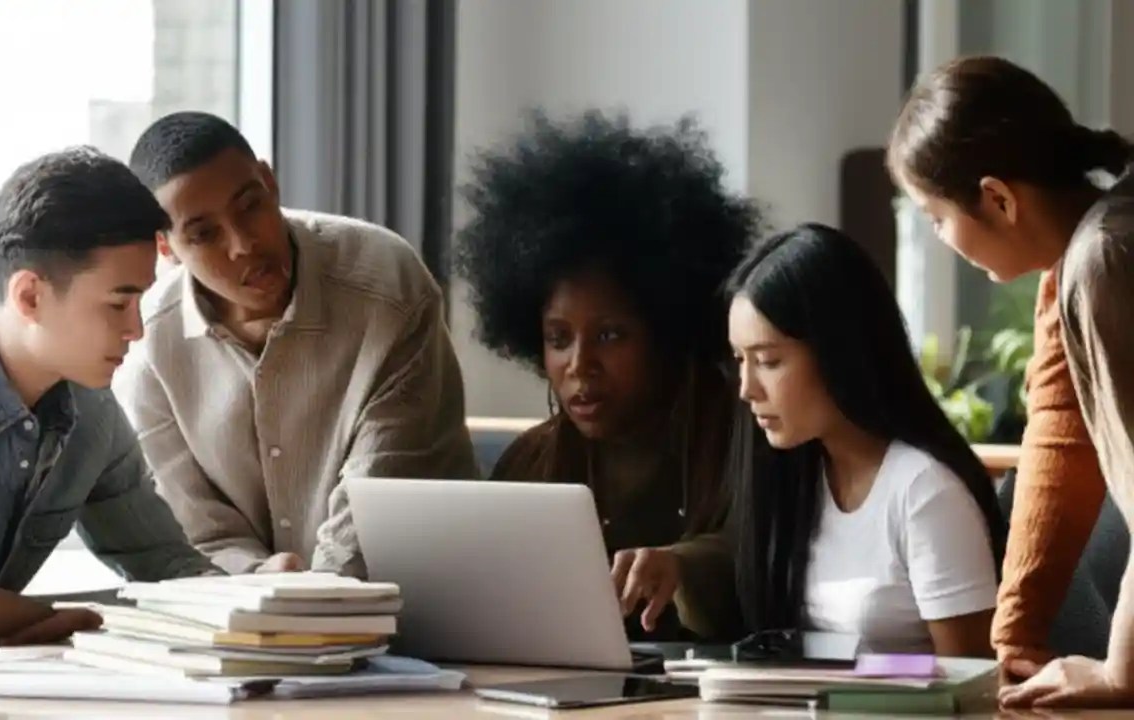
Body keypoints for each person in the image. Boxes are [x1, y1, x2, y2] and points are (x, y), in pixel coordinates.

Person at [0, 148, 220, 648]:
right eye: (118, 302)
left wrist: (261, 599)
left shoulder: (93, 413)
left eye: (140, 303)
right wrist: (72, 617)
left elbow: (166, 566)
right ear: (29, 296)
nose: (136, 329)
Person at [118, 112, 477, 578]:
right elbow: (196, 533)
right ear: (165, 248)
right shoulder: (146, 345)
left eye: (250, 205)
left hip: (429, 599)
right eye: (204, 234)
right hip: (249, 619)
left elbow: (373, 512)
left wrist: (300, 610)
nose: (243, 244)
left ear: (269, 182)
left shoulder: (386, 285)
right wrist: (257, 583)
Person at [452, 111, 757, 642]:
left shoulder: (747, 436)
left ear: (668, 328)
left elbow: (766, 563)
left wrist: (683, 567)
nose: (579, 364)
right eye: (558, 338)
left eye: (611, 335)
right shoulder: (530, 462)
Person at [889, 54, 1134, 707]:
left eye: (935, 217)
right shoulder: (1074, 261)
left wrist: (1120, 671)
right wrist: (1016, 643)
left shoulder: (1105, 255)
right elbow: (1058, 439)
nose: (940, 238)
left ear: (998, 198)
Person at [727, 223, 1006, 656]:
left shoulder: (924, 491)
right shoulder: (795, 478)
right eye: (739, 360)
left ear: (838, 350)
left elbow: (972, 684)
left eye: (767, 360)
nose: (747, 387)